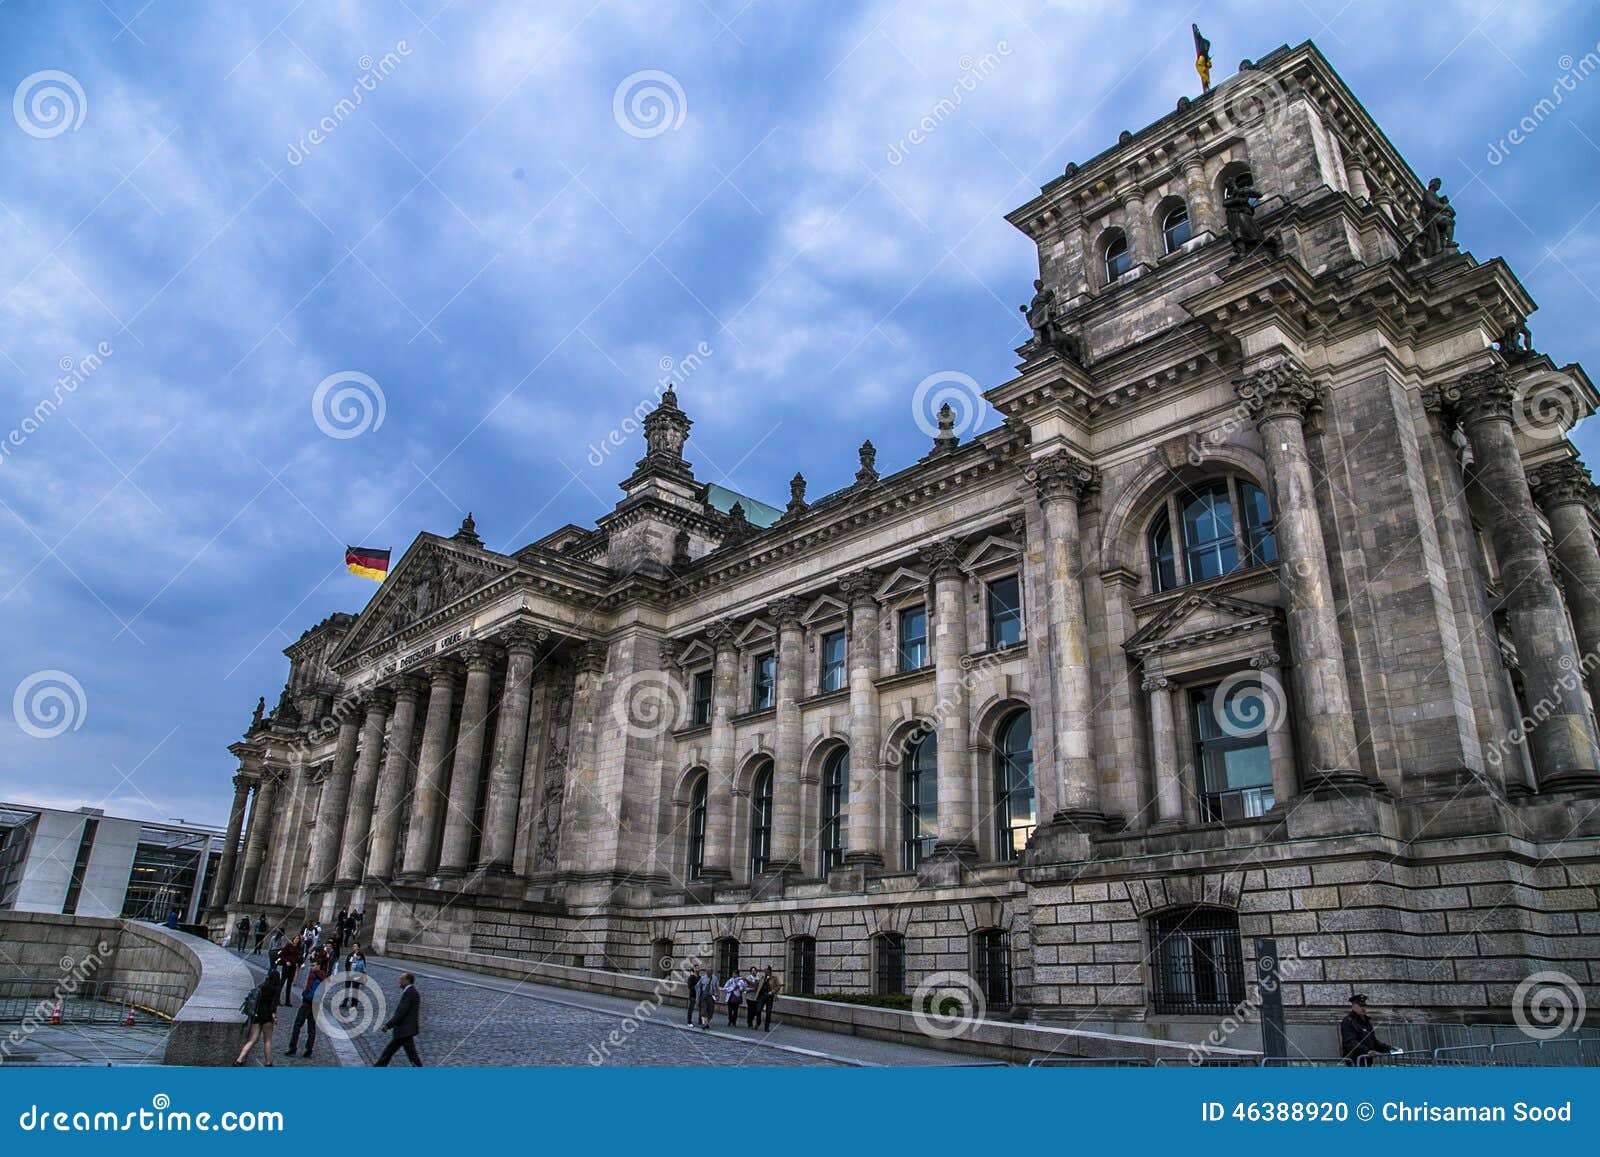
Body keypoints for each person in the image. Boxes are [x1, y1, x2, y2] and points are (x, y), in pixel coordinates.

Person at [233, 967, 282, 1067]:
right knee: (267, 1040)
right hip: (267, 1017)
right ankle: (268, 1062)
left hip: (257, 1015)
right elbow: (273, 1005)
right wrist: (274, 1016)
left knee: (252, 1040)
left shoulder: (262, 986)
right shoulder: (276, 989)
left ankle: (239, 1060)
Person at [286, 951, 330, 1059]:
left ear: (318, 966)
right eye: (311, 965)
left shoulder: (313, 975)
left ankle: (293, 1048)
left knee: (298, 1025)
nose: (311, 967)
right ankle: (309, 1049)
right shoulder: (324, 977)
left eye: (314, 965)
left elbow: (308, 988)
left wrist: (304, 994)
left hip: (308, 1002)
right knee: (311, 1027)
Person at [374, 973, 422, 1066]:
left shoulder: (409, 993)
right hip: (403, 1031)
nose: (399, 981)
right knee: (388, 1053)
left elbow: (401, 1013)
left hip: (405, 1030)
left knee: (411, 1056)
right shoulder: (410, 992)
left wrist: (388, 1025)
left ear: (408, 980)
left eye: (401, 979)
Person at [1339, 993, 1398, 1066]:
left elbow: (1373, 1041)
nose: (1363, 1008)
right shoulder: (1348, 1021)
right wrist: (1366, 1051)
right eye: (1360, 1006)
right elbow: (1350, 1042)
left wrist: (1388, 1048)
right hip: (1355, 1060)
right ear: (1354, 1006)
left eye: (1364, 1006)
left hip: (1367, 1060)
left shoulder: (1366, 1021)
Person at [750, 966, 780, 1031]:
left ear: (769, 970)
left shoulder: (774, 978)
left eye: (766, 969)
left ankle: (767, 1027)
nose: (764, 971)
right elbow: (756, 985)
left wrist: (772, 992)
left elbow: (778, 987)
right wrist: (753, 982)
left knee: (768, 1012)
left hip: (769, 997)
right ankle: (758, 1023)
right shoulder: (762, 978)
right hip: (761, 996)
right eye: (764, 970)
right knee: (758, 1010)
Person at [278, 935, 303, 1007]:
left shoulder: (299, 948)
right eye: (295, 938)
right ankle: (277, 999)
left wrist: (299, 963)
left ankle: (287, 1001)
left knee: (289, 984)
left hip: (293, 967)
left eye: (298, 939)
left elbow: (300, 957)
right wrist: (286, 961)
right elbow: (282, 954)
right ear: (293, 939)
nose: (296, 940)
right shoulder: (289, 945)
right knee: (282, 983)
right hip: (287, 966)